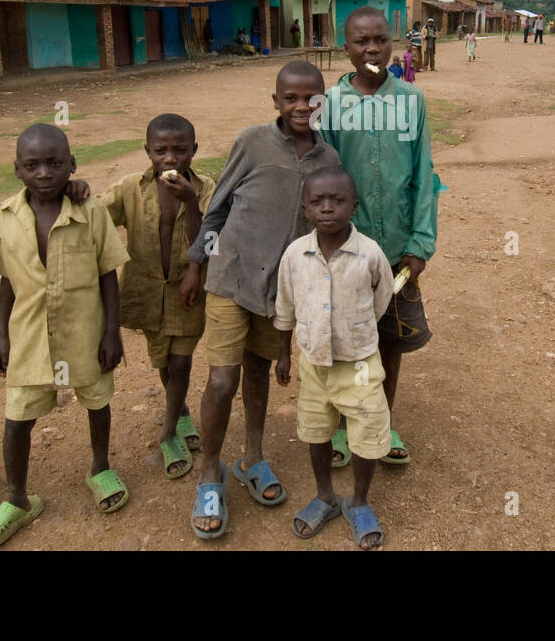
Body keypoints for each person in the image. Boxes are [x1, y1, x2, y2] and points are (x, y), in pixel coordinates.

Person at [180, 61, 340, 539]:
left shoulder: (329, 159)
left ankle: (253, 457)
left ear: (322, 102)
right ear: (275, 101)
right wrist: (195, 262)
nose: (300, 106)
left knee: (257, 375)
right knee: (223, 380)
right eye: (290, 97)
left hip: (280, 291)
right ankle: (211, 472)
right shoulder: (251, 142)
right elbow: (219, 206)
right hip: (232, 278)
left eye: (311, 98)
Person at [0, 124, 131, 549]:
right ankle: (18, 498)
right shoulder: (7, 216)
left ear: (71, 165)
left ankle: (99, 466)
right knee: (17, 416)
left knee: (97, 400)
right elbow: (7, 279)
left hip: (85, 330)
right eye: (32, 165)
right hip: (28, 336)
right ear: (17, 170)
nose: (44, 172)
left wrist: (112, 333)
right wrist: (1, 336)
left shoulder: (90, 210)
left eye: (55, 163)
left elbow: (107, 274)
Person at [320, 6, 437, 468]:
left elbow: (423, 176)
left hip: (396, 249)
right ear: (345, 47)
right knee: (341, 338)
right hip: (345, 248)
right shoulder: (330, 105)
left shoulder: (412, 101)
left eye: (380, 40)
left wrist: (420, 242)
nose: (372, 49)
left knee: (390, 338)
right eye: (361, 41)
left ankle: (381, 422)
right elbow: (322, 179)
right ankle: (340, 426)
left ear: (393, 44)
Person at [277, 168, 392, 549]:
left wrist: (355, 333)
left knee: (366, 431)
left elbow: (381, 300)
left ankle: (358, 501)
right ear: (305, 207)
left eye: (337, 200)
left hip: (358, 365)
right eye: (317, 201)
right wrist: (283, 356)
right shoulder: (295, 254)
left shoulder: (369, 254)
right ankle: (325, 494)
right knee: (315, 429)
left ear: (354, 206)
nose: (327, 208)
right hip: (312, 364)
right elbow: (286, 306)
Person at [99, 114, 215, 479]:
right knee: (163, 361)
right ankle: (178, 411)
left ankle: (167, 434)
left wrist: (192, 203)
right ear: (147, 151)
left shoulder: (207, 188)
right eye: (161, 151)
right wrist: (78, 193)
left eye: (179, 150)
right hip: (146, 292)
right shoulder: (130, 188)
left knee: (181, 363)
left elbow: (212, 240)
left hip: (188, 290)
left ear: (193, 151)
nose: (170, 159)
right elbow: (97, 218)